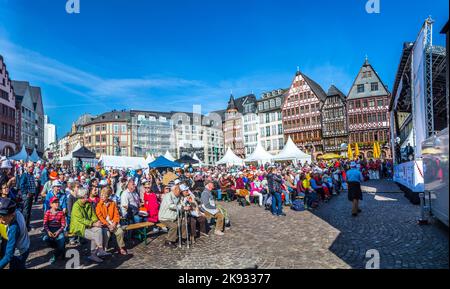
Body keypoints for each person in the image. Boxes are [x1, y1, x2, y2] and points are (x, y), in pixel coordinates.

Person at [69, 188, 110, 263]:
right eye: (86, 196)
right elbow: (81, 220)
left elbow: (93, 215)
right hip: (78, 227)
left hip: (88, 225)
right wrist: (93, 224)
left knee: (100, 230)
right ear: (81, 197)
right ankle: (98, 251)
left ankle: (97, 253)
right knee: (95, 235)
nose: (88, 197)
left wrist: (97, 221)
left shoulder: (87, 203)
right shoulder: (76, 206)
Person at [95, 188, 127, 255]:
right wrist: (108, 225)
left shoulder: (112, 203)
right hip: (105, 225)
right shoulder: (99, 205)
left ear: (107, 196)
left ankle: (121, 247)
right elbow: (100, 217)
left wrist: (114, 223)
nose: (101, 197)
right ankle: (103, 250)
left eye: (103, 195)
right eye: (101, 195)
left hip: (113, 223)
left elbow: (116, 214)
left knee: (120, 232)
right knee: (107, 234)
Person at [0, 198, 30, 269]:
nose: (1, 220)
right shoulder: (15, 210)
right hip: (25, 245)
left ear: (12, 215)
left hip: (19, 253)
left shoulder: (14, 229)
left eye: (3, 217)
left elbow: (9, 255)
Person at [43, 196, 66, 263]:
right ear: (51, 204)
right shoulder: (48, 212)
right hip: (50, 229)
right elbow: (45, 224)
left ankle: (55, 255)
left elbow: (63, 224)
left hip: (58, 230)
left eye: (58, 202)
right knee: (45, 239)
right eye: (55, 202)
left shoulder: (61, 212)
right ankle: (59, 248)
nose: (57, 204)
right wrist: (48, 231)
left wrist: (58, 232)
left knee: (62, 240)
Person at [19, 162, 37, 230]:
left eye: (32, 167)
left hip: (31, 195)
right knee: (26, 211)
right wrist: (27, 193)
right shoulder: (24, 175)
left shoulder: (31, 174)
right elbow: (22, 185)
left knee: (29, 211)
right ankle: (24, 226)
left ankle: (27, 225)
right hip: (27, 195)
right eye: (29, 167)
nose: (31, 168)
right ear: (26, 167)